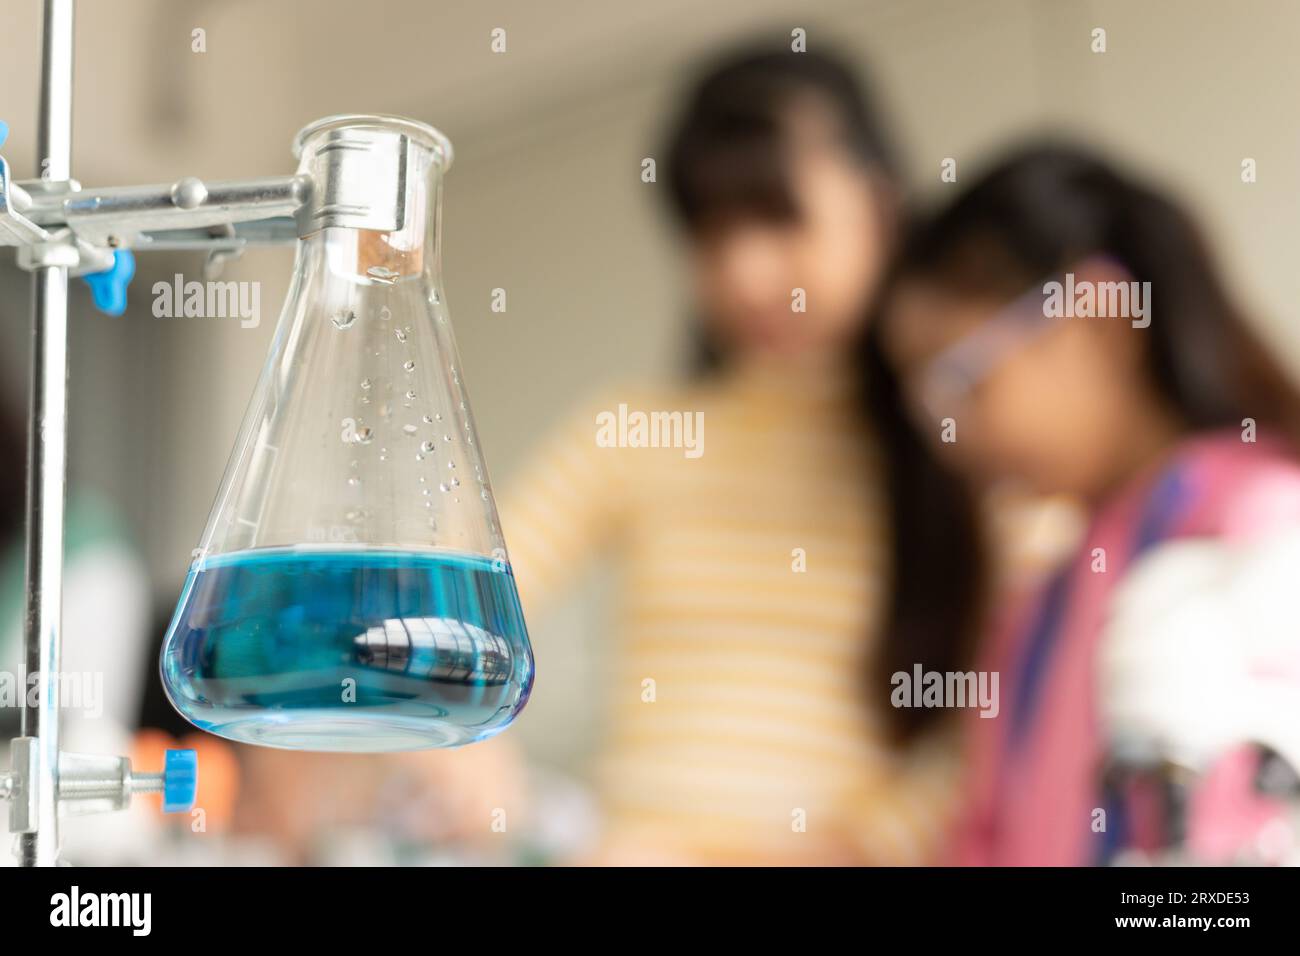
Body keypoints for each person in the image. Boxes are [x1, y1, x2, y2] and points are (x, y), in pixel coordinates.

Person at [499, 45, 954, 864]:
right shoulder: (631, 431)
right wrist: (466, 745)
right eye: (711, 234)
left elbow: (1008, 719)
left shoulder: (959, 454)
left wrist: (859, 845)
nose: (743, 274)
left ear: (881, 206)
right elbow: (465, 603)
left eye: (780, 218)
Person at [865, 143, 1300, 865]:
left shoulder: (1261, 528)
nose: (948, 436)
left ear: (1098, 318)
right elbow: (982, 838)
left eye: (961, 382)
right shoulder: (1037, 609)